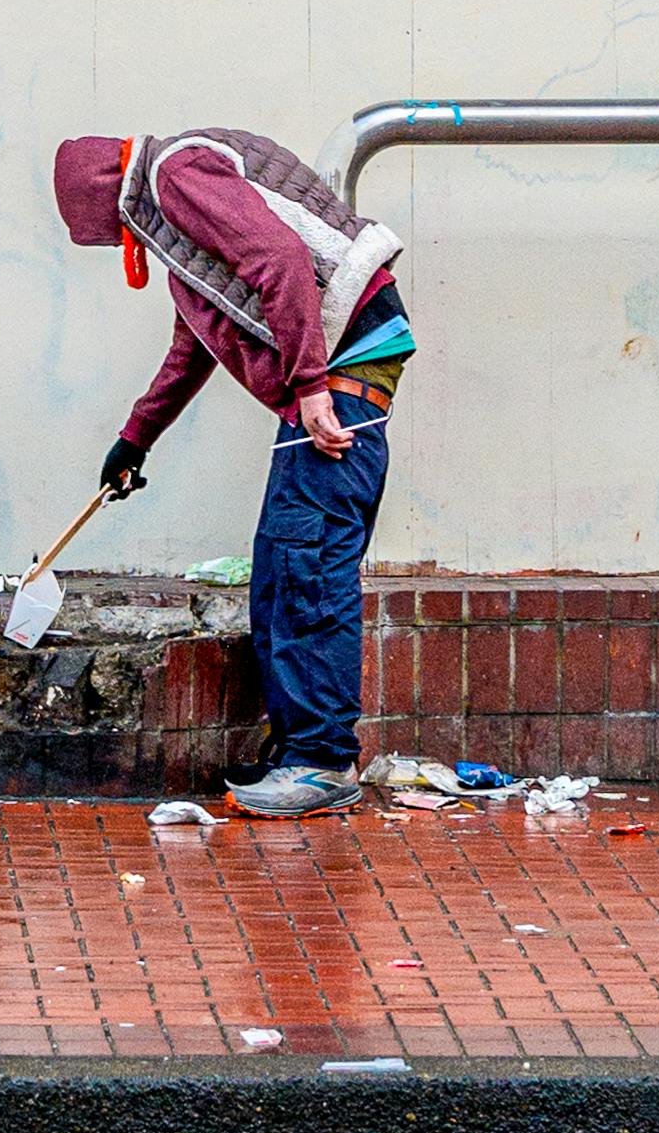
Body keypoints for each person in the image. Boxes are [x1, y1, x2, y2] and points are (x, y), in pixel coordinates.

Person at [50, 125, 414, 817]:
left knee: (308, 564)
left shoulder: (176, 174)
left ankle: (321, 762)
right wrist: (136, 438)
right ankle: (299, 749)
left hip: (340, 364)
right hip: (332, 364)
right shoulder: (179, 214)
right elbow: (196, 340)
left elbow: (278, 258)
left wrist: (307, 385)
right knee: (282, 566)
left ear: (105, 203)